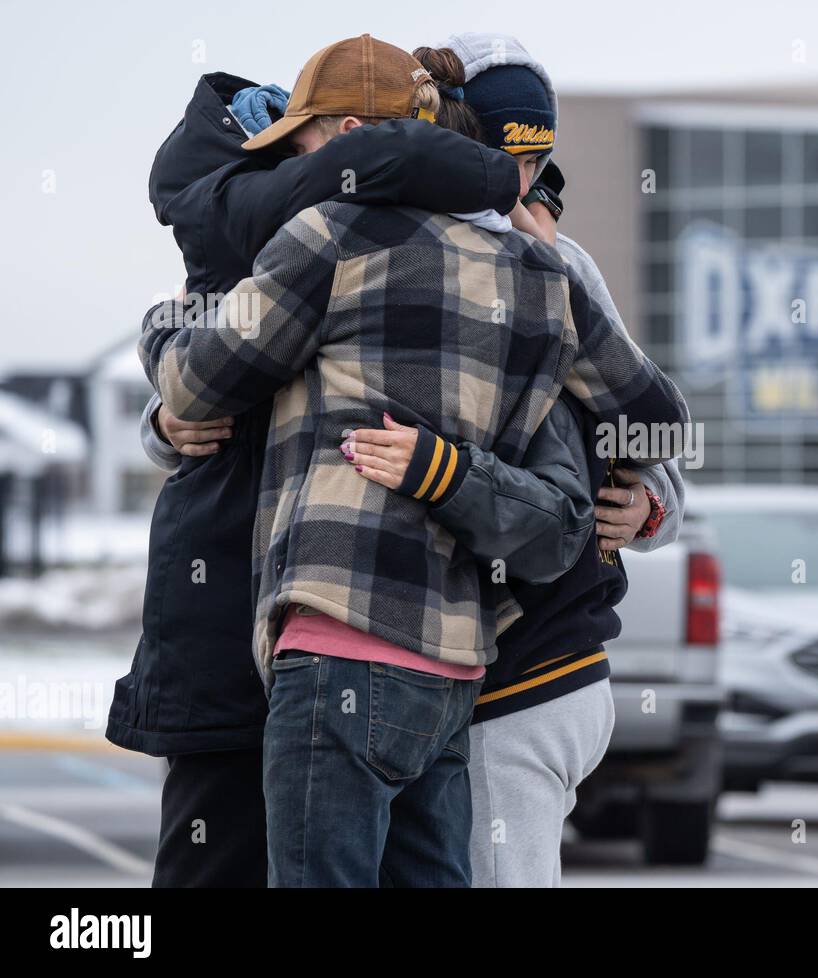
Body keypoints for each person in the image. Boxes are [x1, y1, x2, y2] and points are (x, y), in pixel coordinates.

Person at [140, 34, 689, 887]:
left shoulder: (327, 236)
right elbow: (659, 421)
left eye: (301, 142)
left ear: (353, 134)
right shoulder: (543, 268)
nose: (291, 165)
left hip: (342, 637)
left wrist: (166, 329)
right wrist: (647, 491)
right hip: (459, 663)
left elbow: (197, 382)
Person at [109, 48, 522, 887]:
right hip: (236, 607)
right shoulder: (255, 205)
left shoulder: (413, 242)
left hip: (348, 627)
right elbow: (391, 159)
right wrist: (165, 405)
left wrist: (650, 489)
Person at [343, 34, 689, 887]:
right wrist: (167, 422)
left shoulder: (561, 262)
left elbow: (659, 420)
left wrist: (651, 502)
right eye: (505, 156)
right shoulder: (370, 240)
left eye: (540, 159)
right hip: (423, 658)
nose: (522, 181)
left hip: (533, 666)